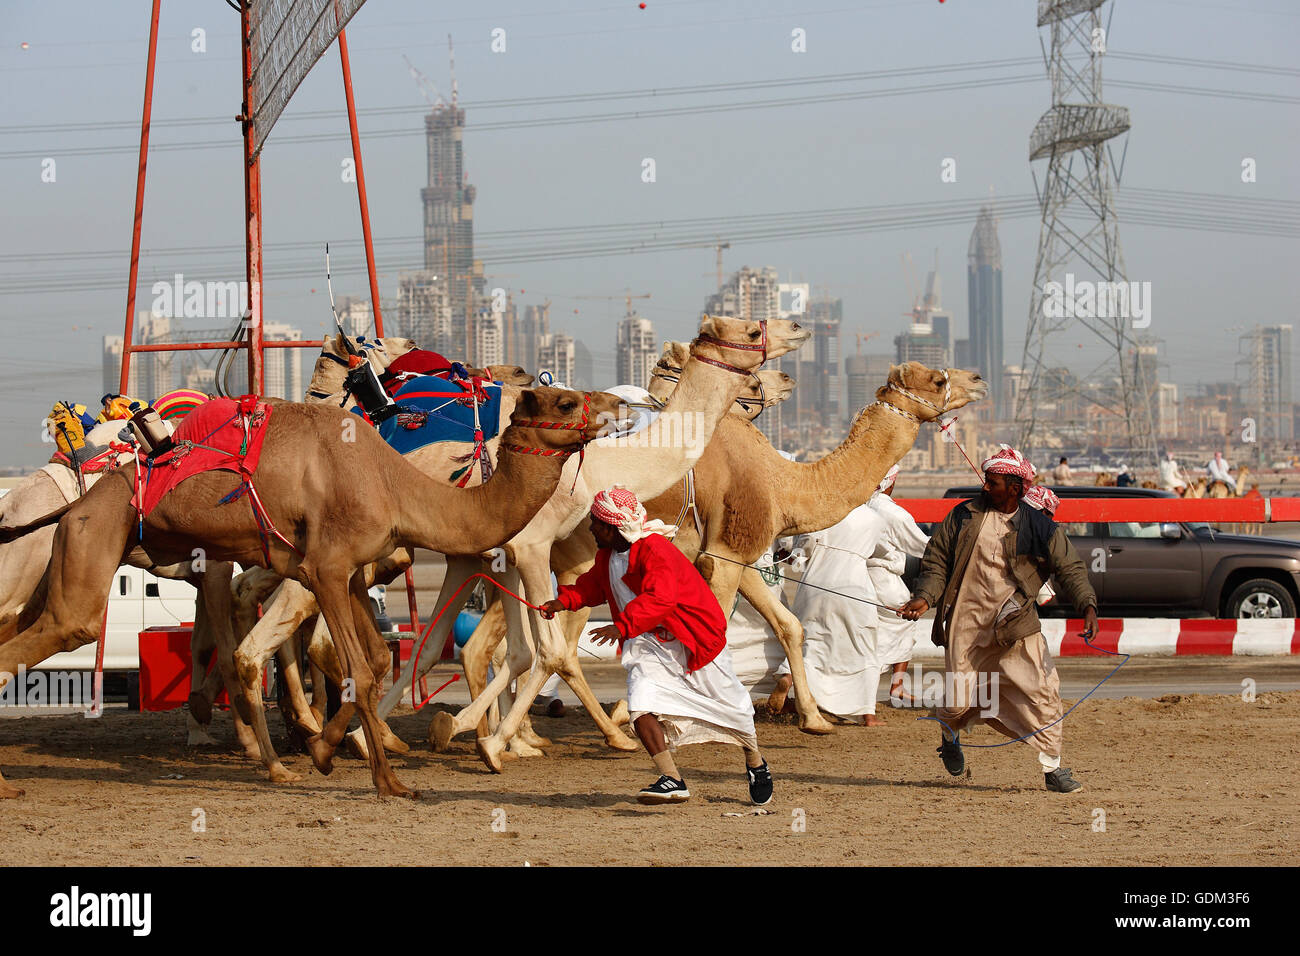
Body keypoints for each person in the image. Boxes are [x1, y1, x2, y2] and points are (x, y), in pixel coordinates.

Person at [539, 486, 773, 806]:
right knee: (640, 707)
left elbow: (660, 599)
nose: (591, 528)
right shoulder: (608, 556)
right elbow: (592, 586)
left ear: (612, 527)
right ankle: (672, 779)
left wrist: (622, 625)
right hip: (648, 644)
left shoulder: (655, 550)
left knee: (734, 711)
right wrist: (561, 602)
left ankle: (755, 761)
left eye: (595, 523)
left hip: (692, 641)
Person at [898, 445, 1099, 793]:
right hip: (966, 624)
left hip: (1015, 624)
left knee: (1043, 693)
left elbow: (1070, 567)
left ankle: (1053, 769)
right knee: (958, 701)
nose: (986, 487)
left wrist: (1088, 605)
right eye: (987, 481)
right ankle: (949, 736)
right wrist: (924, 598)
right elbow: (936, 562)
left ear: (1016, 488)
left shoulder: (1037, 526)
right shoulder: (962, 517)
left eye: (993, 483)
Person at [771, 498, 887, 724]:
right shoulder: (875, 519)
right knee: (862, 646)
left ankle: (787, 676)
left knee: (809, 640)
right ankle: (868, 714)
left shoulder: (825, 509)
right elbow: (882, 551)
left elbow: (805, 543)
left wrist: (796, 554)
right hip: (855, 587)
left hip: (817, 583)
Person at [865, 465, 930, 707]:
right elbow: (922, 546)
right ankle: (891, 688)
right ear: (890, 482)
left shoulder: (860, 505)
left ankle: (896, 687)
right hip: (884, 580)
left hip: (861, 579)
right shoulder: (892, 512)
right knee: (901, 623)